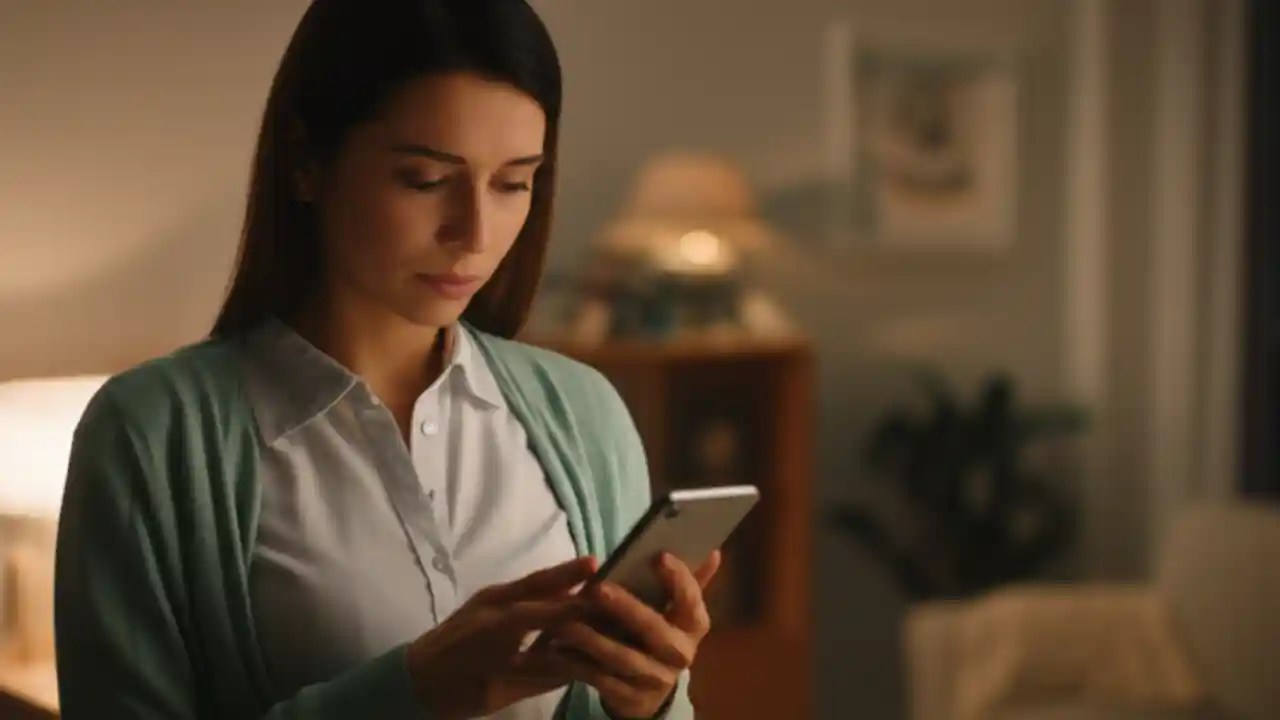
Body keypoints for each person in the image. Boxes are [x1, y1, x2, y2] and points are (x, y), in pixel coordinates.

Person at [53, 1, 720, 718]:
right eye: (426, 181)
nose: (475, 233)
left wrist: (652, 702)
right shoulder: (150, 434)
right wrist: (413, 692)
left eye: (513, 183)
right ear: (308, 162)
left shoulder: (584, 413)